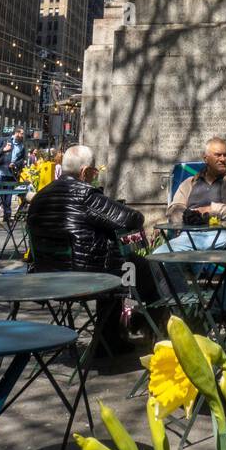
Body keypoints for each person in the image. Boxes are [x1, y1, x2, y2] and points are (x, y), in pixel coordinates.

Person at [26, 144, 145, 353]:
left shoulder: (39, 197)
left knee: (121, 264)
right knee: (140, 268)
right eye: (93, 172)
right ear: (84, 172)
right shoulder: (85, 195)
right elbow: (132, 219)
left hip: (46, 276)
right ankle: (115, 338)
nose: (93, 176)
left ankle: (109, 339)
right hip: (85, 276)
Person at [157, 138, 226, 318]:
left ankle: (222, 312)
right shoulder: (189, 183)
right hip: (190, 237)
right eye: (218, 155)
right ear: (205, 158)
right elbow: (174, 209)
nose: (223, 159)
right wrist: (188, 215)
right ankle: (185, 309)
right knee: (159, 258)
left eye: (225, 155)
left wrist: (211, 209)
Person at [0, 127, 26, 223]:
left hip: (11, 174)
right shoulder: (4, 140)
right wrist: (3, 150)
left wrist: (15, 164)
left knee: (8, 196)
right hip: (0, 173)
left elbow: (22, 159)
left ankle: (7, 216)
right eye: (22, 133)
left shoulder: (22, 146)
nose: (23, 136)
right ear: (16, 133)